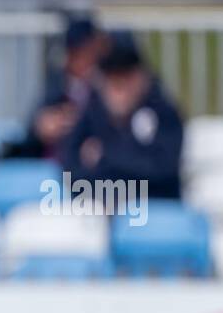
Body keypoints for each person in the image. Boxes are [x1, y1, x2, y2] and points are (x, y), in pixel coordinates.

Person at [63, 32, 184, 201]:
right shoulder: (93, 110)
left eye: (125, 76)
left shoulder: (163, 112)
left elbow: (162, 169)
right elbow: (70, 167)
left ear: (141, 77)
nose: (118, 87)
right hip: (101, 207)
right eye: (111, 78)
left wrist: (104, 155)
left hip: (153, 208)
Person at [4, 16, 108, 161]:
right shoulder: (55, 85)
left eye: (87, 52)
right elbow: (32, 130)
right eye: (76, 53)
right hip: (54, 163)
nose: (82, 60)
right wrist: (41, 128)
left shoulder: (107, 85)